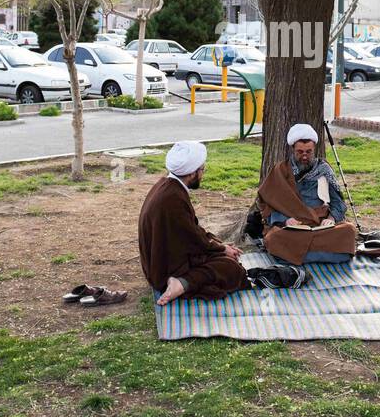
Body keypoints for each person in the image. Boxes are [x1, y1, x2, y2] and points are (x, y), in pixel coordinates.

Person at [139, 141, 303, 306]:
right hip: (163, 271)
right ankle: (182, 283)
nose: (203, 174)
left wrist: (219, 246)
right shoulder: (173, 198)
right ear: (191, 173)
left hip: (162, 260)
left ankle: (186, 280)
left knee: (223, 258)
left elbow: (190, 231)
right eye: (202, 170)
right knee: (231, 268)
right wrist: (222, 249)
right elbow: (193, 239)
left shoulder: (167, 186)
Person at [255, 123, 356, 270]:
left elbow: (338, 202)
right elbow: (269, 203)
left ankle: (293, 256)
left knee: (349, 231)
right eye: (300, 152)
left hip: (321, 225)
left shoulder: (324, 170)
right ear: (292, 150)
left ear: (314, 149)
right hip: (294, 228)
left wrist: (331, 218)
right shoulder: (281, 171)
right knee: (274, 238)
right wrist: (285, 220)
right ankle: (327, 255)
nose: (304, 156)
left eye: (308, 152)